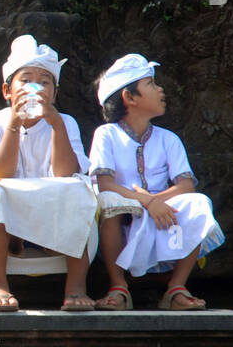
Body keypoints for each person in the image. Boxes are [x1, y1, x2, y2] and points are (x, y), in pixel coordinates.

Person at [0, 35, 99, 312]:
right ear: (7, 90)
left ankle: (75, 287)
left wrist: (56, 125)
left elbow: (65, 174)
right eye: (25, 80)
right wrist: (15, 123)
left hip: (53, 211)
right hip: (10, 216)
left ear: (54, 93)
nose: (35, 86)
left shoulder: (65, 122)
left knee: (79, 188)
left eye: (44, 81)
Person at [88, 53, 224, 310]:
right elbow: (104, 185)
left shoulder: (168, 139)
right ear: (129, 97)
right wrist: (146, 201)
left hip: (164, 214)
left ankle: (176, 289)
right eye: (151, 84)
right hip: (125, 214)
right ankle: (118, 288)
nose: (161, 89)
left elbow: (185, 186)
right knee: (110, 204)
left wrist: (155, 202)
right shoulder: (106, 134)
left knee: (198, 203)